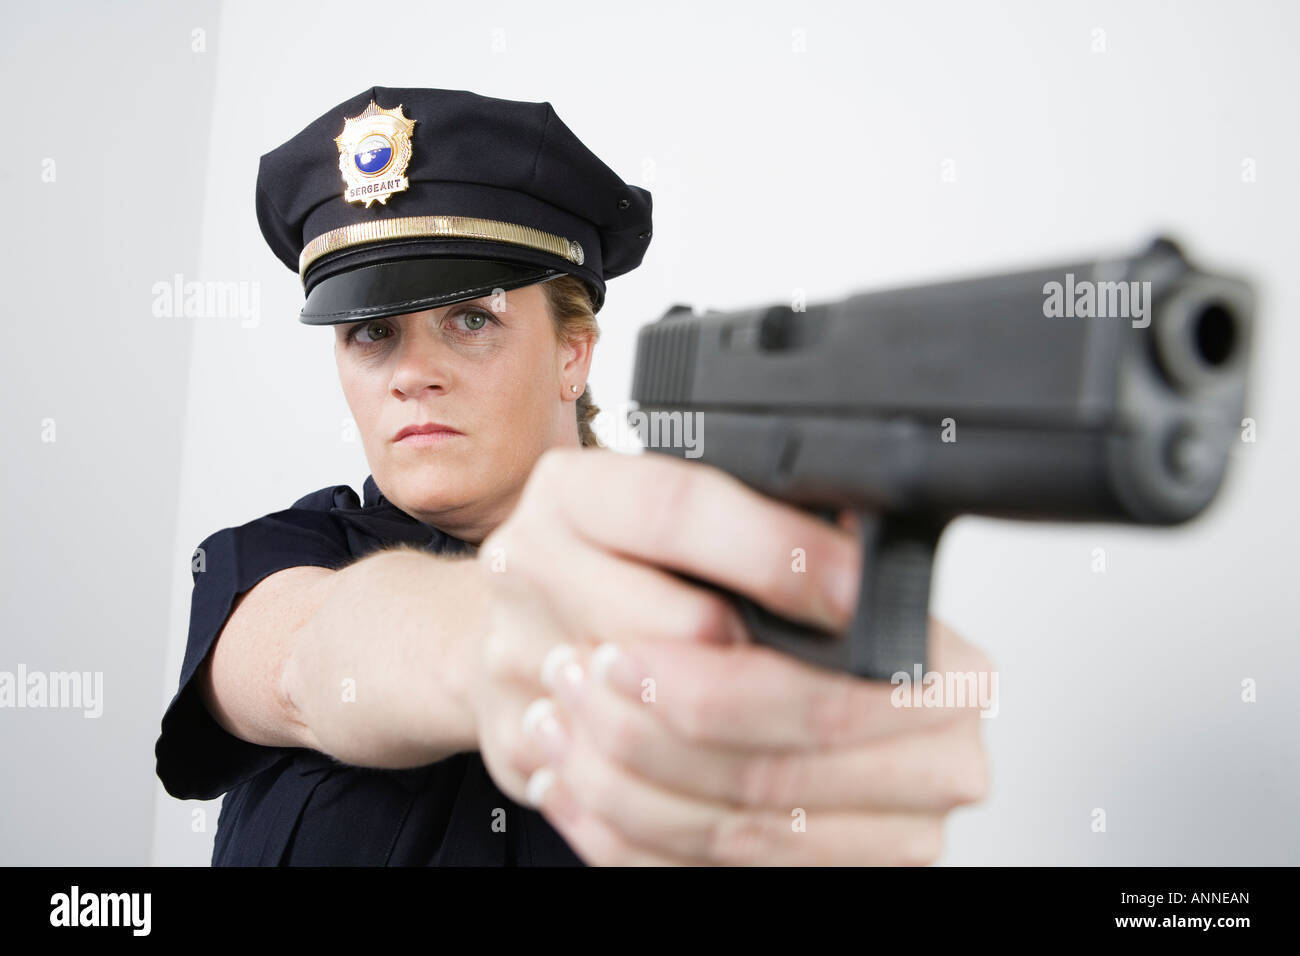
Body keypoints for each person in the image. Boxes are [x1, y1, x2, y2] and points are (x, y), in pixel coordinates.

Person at [155, 86, 992, 866]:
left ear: (572, 353)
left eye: (470, 319)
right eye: (371, 334)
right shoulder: (271, 562)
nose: (412, 372)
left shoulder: (705, 594)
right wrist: (517, 630)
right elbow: (311, 663)